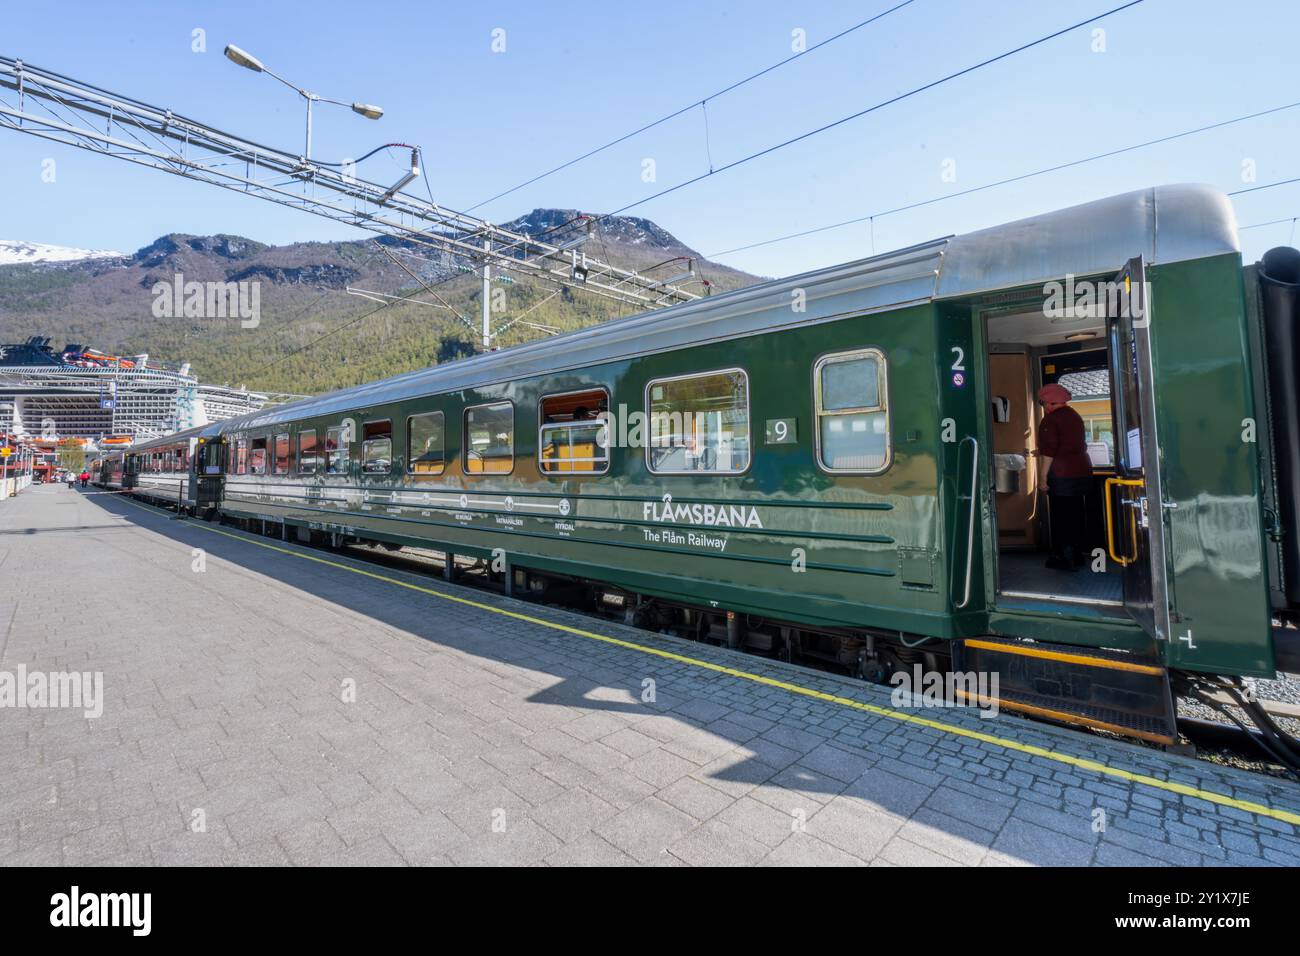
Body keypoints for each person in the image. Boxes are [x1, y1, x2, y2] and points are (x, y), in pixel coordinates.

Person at [1036, 382, 1093, 571]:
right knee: (1076, 514)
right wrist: (1041, 451)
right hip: (1081, 472)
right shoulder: (1075, 416)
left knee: (1061, 516)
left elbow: (1051, 450)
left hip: (1062, 475)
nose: (1043, 406)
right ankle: (1077, 555)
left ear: (1050, 402)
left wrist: (1043, 477)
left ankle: (1063, 558)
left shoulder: (1050, 420)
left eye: (1043, 403)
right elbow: (1068, 444)